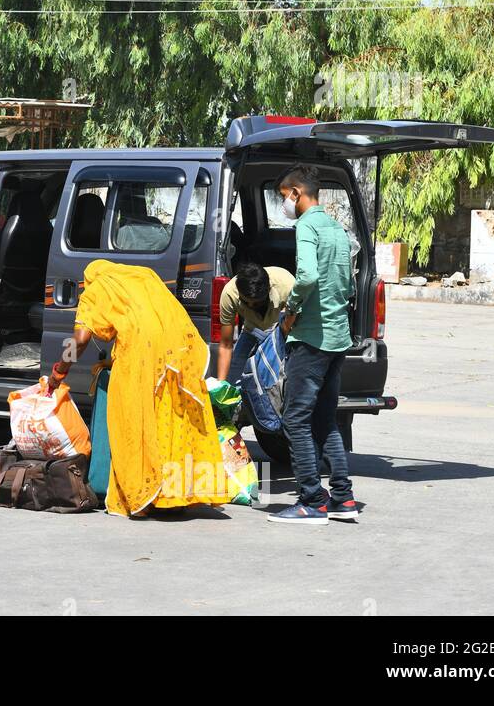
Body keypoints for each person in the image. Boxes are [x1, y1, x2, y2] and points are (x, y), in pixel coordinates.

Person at [47, 260, 231, 516]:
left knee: (136, 422)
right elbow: (148, 323)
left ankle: (143, 497)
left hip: (142, 357)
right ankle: (176, 494)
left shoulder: (98, 287)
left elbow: (79, 340)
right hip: (181, 349)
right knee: (171, 421)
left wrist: (59, 370)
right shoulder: (144, 276)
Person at [267, 164, 359, 525]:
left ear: (296, 193)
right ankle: (343, 497)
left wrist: (290, 311)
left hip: (311, 338)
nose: (284, 206)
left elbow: (307, 276)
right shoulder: (335, 228)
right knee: (325, 419)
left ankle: (310, 499)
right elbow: (348, 285)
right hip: (337, 339)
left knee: (295, 418)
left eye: (283, 198)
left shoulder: (306, 226)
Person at [216, 262, 295, 383]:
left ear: (268, 290)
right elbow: (226, 344)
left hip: (281, 328)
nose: (251, 306)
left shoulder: (286, 285)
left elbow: (294, 323)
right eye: (246, 302)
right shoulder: (229, 294)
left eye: (257, 303)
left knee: (275, 374)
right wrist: (220, 384)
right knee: (235, 371)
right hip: (251, 328)